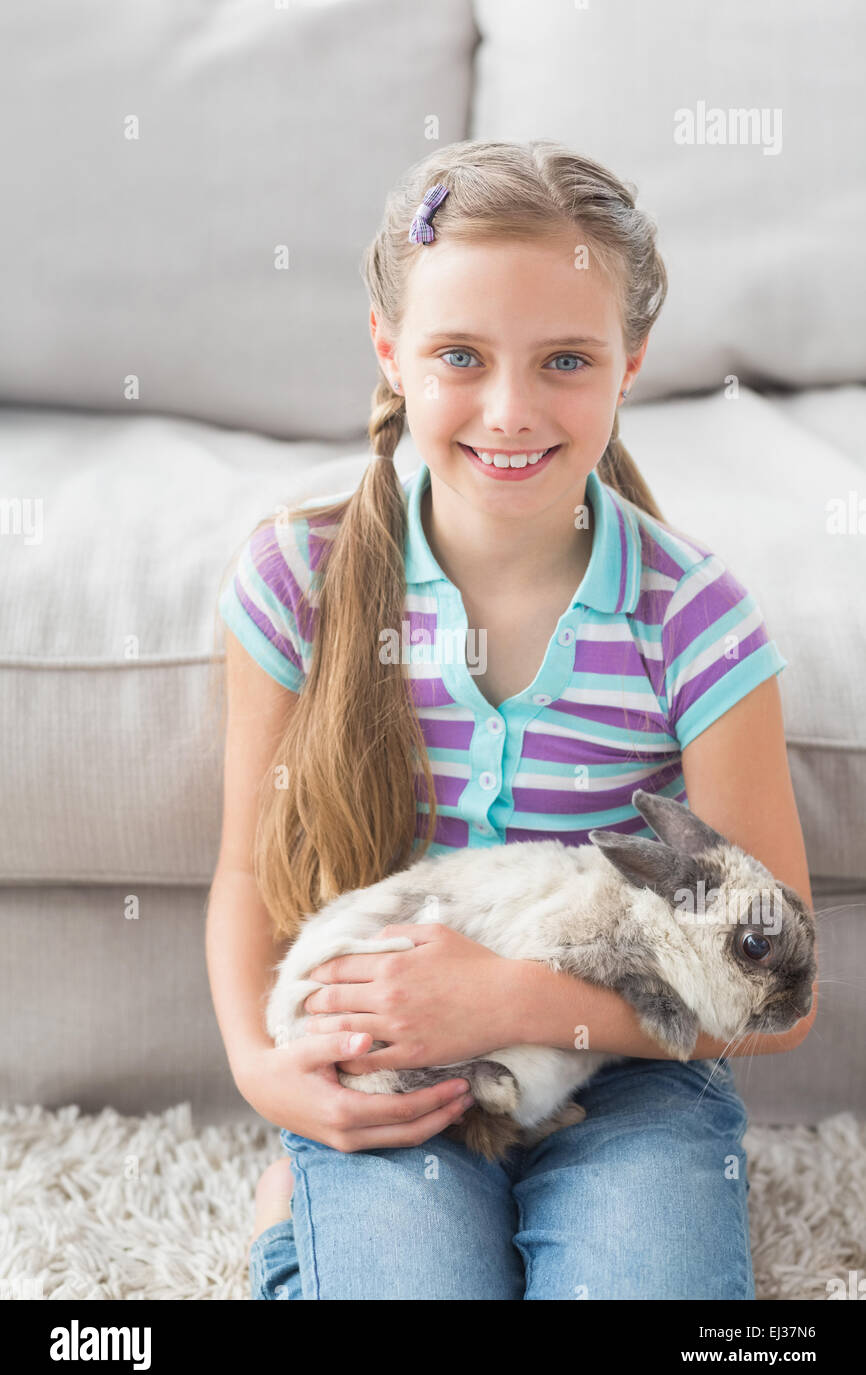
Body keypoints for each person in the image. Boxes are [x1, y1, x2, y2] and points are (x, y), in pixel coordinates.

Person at [207, 139, 816, 1300]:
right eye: (458, 357)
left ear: (630, 363)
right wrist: (264, 1074)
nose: (509, 410)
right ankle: (300, 1207)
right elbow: (244, 868)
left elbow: (773, 994)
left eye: (565, 360)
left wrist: (513, 1001)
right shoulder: (297, 578)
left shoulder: (693, 620)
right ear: (390, 352)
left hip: (630, 1063)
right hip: (402, 1049)